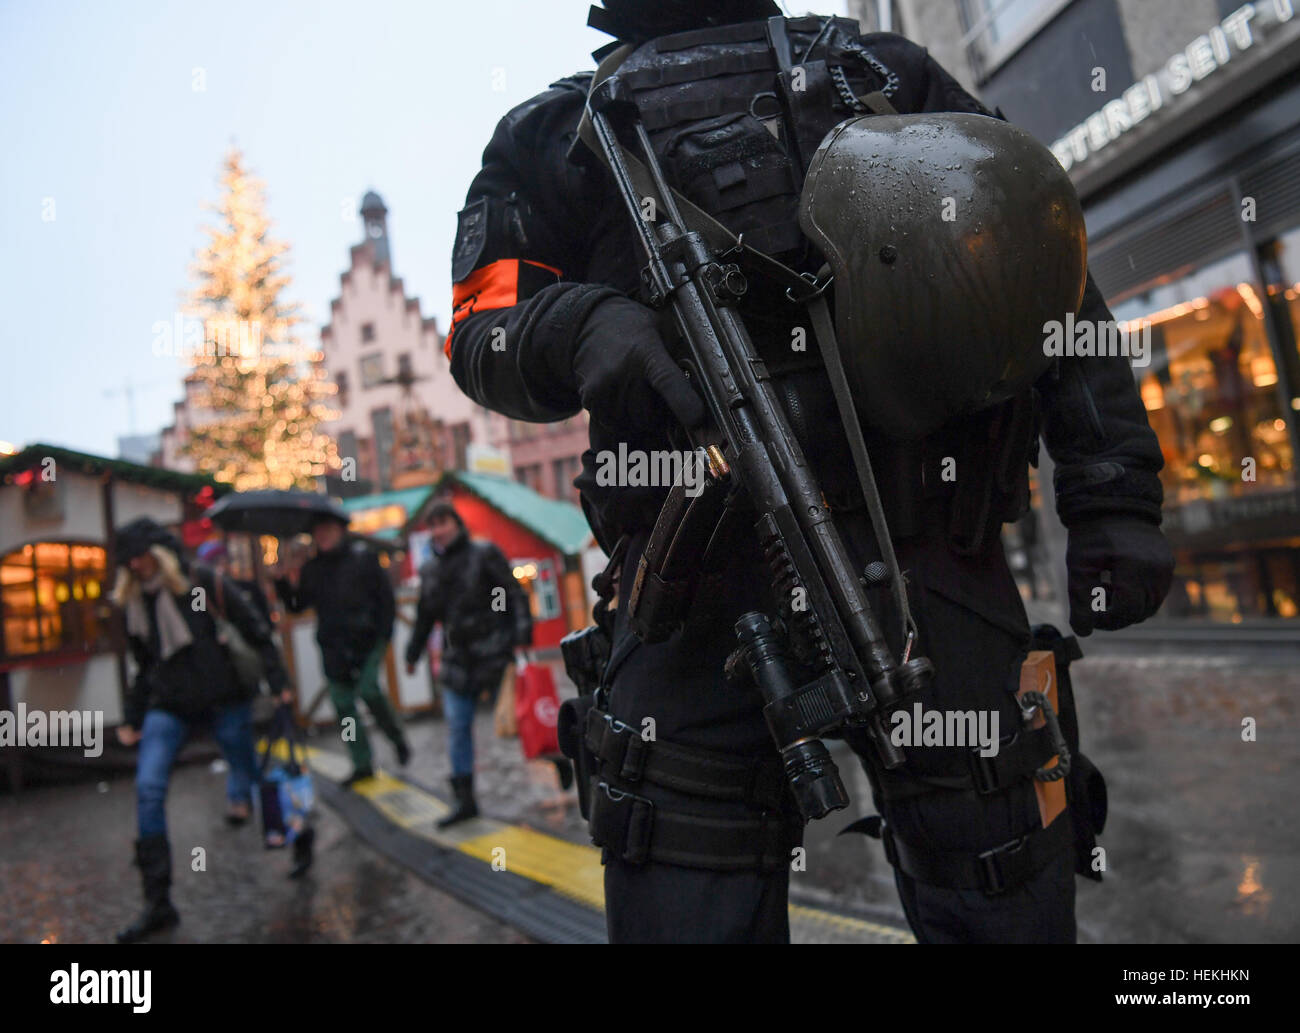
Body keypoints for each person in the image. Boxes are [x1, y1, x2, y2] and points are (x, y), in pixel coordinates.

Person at [445, 0, 1173, 943]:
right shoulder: (558, 134)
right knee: (687, 896)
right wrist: (576, 326)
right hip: (689, 598)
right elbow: (480, 329)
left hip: (927, 576)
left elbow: (1041, 265)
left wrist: (1115, 495)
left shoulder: (871, 71)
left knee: (1000, 887)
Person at [111, 516, 291, 943]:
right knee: (149, 787)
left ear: (157, 555)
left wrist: (279, 685)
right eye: (129, 561)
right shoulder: (136, 604)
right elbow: (145, 665)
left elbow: (255, 628)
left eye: (141, 558)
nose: (136, 567)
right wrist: (133, 717)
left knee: (244, 761)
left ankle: (285, 826)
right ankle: (158, 901)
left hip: (224, 695)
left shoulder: (201, 582)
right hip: (169, 705)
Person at [405, 501, 533, 827]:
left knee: (519, 718)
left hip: (493, 650)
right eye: (432, 525)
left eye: (443, 522)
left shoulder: (483, 553)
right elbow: (424, 616)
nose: (439, 530)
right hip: (457, 659)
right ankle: (465, 800)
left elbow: (512, 593)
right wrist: (413, 652)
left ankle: (554, 755)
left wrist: (520, 634)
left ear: (457, 523)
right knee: (458, 728)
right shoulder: (430, 570)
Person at [274, 512, 410, 786]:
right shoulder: (313, 569)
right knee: (344, 707)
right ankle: (361, 762)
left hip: (367, 642)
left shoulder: (363, 559)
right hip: (333, 648)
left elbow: (385, 599)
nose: (323, 535)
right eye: (318, 531)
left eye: (328, 529)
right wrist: (282, 581)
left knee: (370, 691)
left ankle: (395, 735)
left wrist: (384, 635)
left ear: (339, 530)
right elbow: (297, 605)